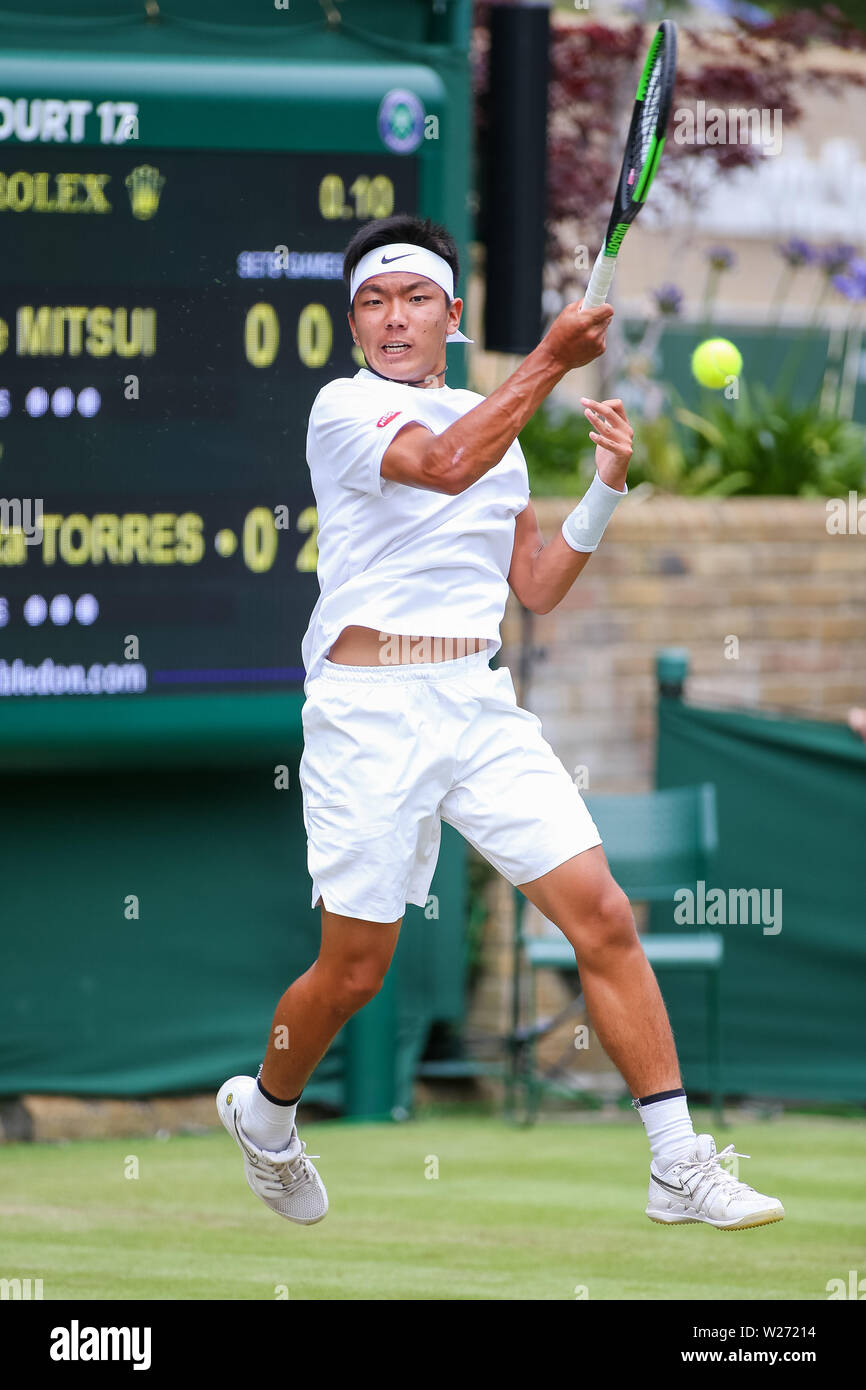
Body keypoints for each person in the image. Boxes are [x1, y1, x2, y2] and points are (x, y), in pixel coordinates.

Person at [217, 214, 783, 1234]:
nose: (392, 319)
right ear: (353, 324)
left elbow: (533, 584)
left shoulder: (498, 426)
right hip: (367, 713)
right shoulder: (342, 409)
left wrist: (604, 493)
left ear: (450, 313)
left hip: (477, 706)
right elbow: (439, 464)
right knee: (355, 970)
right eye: (372, 303)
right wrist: (552, 359)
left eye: (414, 299)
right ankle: (265, 1112)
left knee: (602, 914)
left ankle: (675, 1162)